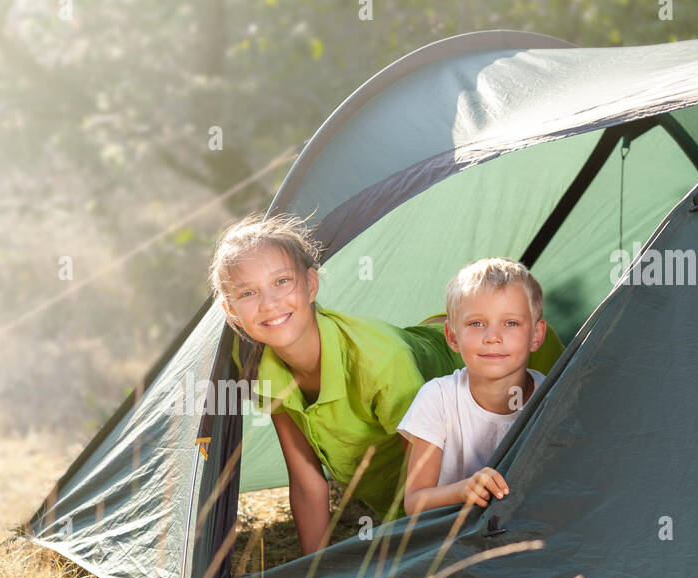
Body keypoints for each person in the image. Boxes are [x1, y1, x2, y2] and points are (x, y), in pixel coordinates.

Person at [209, 217, 560, 556]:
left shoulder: (381, 362)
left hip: (490, 370)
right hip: (435, 479)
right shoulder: (257, 361)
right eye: (248, 292)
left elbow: (423, 495)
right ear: (231, 311)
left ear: (311, 284)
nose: (269, 302)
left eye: (282, 281)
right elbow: (307, 480)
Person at [398, 258, 549, 517]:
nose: (492, 337)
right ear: (452, 337)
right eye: (476, 323)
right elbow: (414, 502)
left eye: (510, 323)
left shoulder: (551, 396)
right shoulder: (437, 398)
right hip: (453, 537)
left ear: (536, 335)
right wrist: (463, 490)